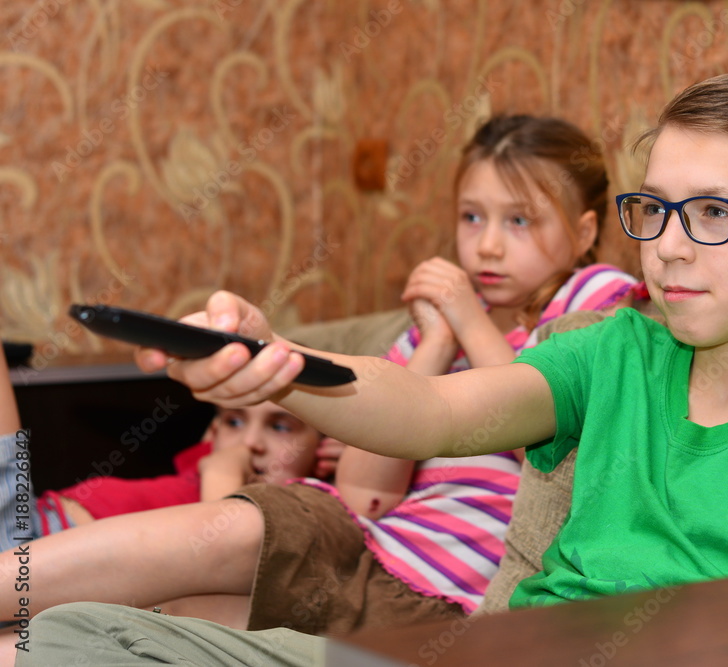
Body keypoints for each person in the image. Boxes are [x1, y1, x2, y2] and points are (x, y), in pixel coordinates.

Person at [17, 71, 728, 664]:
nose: (670, 248)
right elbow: (428, 412)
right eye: (654, 211)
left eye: (713, 214)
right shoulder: (619, 351)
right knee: (71, 636)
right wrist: (278, 362)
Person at [1, 113, 637, 657]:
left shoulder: (598, 305)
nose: (488, 245)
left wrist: (467, 322)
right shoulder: (429, 336)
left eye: (519, 222)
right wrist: (436, 342)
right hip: (364, 540)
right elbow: (364, 494)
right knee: (184, 566)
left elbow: (558, 449)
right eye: (472, 218)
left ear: (582, 234)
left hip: (440, 591)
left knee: (164, 618)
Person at [0, 344, 336, 552]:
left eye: (279, 426)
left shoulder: (289, 505)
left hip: (39, 546)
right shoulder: (205, 463)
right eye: (235, 421)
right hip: (43, 518)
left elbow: (221, 548)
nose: (250, 443)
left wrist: (349, 451)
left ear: (321, 452)